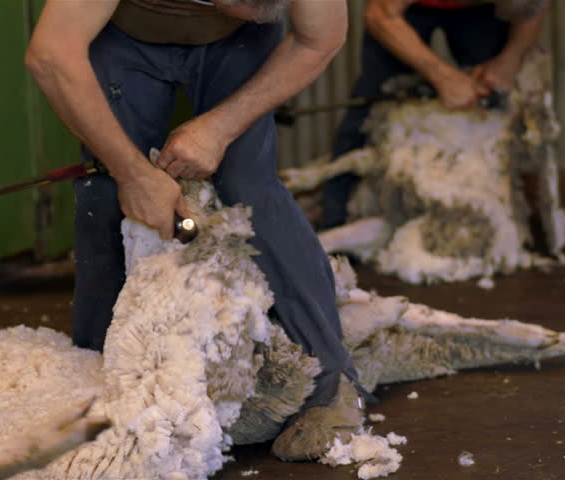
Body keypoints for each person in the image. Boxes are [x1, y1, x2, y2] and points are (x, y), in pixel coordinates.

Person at [26, 0, 372, 461]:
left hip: (233, 48)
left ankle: (329, 383)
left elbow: (320, 38)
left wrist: (220, 127)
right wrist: (132, 174)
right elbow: (51, 54)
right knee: (106, 196)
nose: (259, 11)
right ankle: (101, 378)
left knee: (248, 185)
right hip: (121, 32)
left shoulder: (255, 15)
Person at [319, 0, 550, 230]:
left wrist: (511, 57)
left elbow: (534, 8)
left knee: (496, 100)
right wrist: (442, 76)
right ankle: (338, 218)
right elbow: (380, 15)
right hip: (400, 9)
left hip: (483, 11)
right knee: (376, 103)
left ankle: (494, 218)